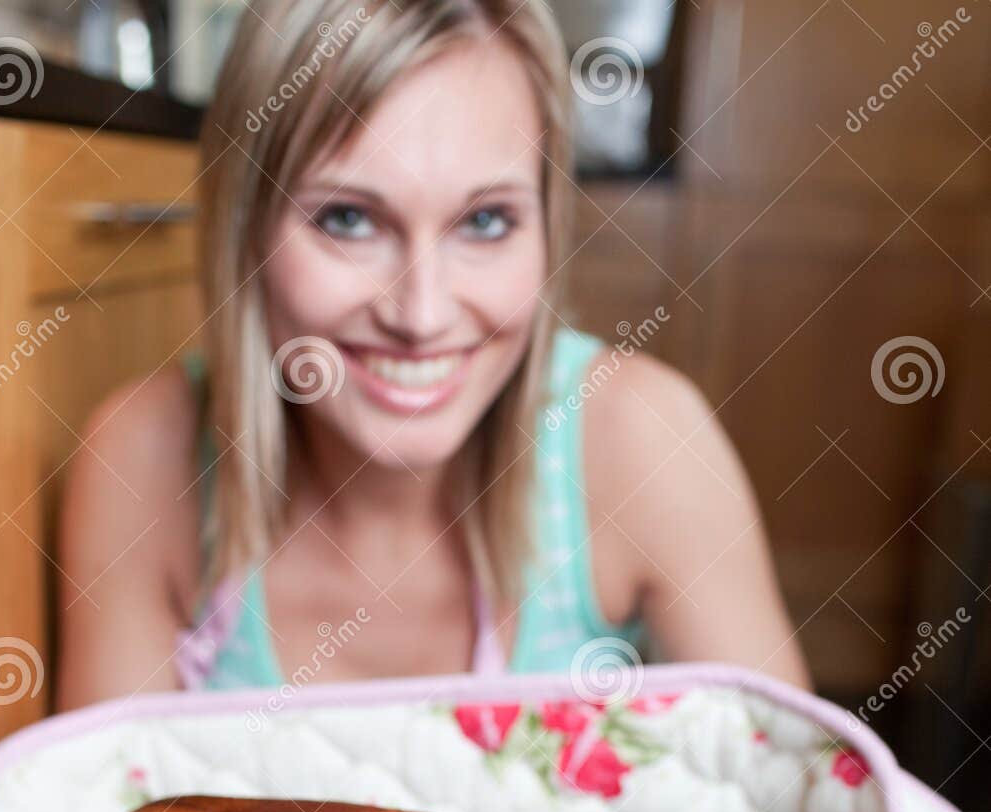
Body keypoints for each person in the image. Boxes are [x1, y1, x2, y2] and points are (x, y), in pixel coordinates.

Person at [57, 0, 809, 709]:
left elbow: (801, 809)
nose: (421, 314)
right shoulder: (143, 456)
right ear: (243, 228)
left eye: (484, 221)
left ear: (547, 228)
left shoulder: (640, 439)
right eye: (348, 218)